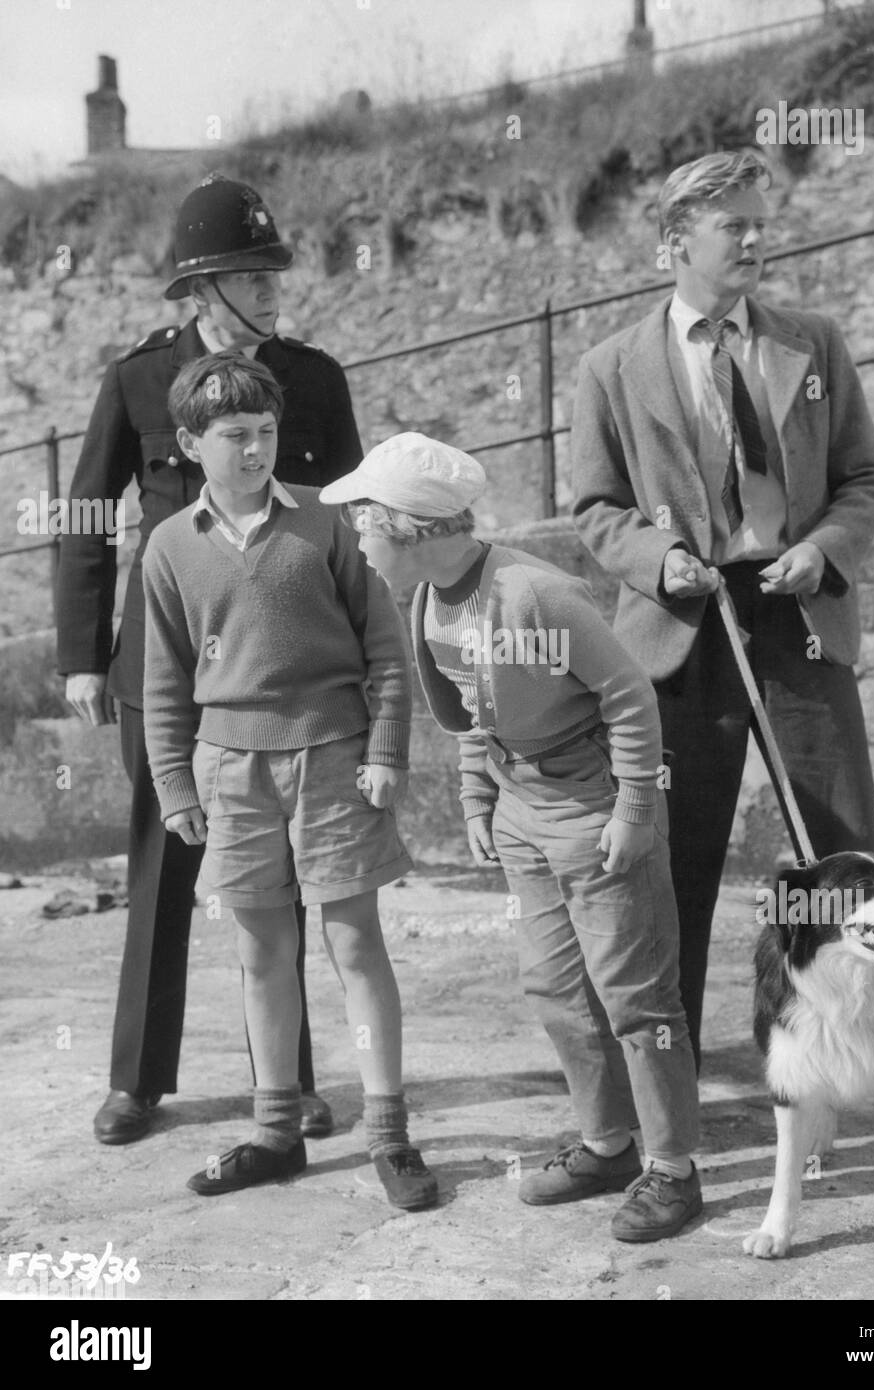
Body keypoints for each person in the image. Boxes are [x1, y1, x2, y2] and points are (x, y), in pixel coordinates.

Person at [320, 432, 703, 1243]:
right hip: (519, 808)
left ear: (411, 527)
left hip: (591, 804)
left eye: (366, 527)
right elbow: (472, 707)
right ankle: (606, 1144)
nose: (359, 543)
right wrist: (474, 801)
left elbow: (629, 696)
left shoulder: (533, 593)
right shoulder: (431, 599)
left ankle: (672, 1169)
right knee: (555, 990)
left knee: (635, 996)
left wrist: (634, 811)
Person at [570, 149, 874, 1072]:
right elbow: (594, 509)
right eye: (734, 226)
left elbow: (867, 476)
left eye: (762, 222)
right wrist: (659, 558)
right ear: (675, 242)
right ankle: (664, 1084)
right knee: (672, 862)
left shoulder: (813, 343)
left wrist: (821, 549)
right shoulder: (609, 368)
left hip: (795, 616)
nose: (757, 239)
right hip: (680, 634)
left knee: (844, 850)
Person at [57, 173, 363, 1145]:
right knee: (161, 868)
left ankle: (291, 1084)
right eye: (248, 273)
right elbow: (81, 522)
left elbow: (346, 520)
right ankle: (137, 1083)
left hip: (280, 669)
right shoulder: (137, 379)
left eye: (274, 269)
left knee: (277, 870)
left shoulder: (313, 381)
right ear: (200, 287)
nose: (272, 289)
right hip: (161, 664)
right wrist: (78, 656)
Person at [141, 354, 436, 1207]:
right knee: (262, 951)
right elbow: (164, 680)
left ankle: (388, 1133)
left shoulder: (325, 523)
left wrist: (385, 751)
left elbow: (386, 649)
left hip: (335, 759)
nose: (256, 450)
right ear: (192, 444)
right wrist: (174, 784)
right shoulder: (167, 547)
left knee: (353, 942)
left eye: (265, 433)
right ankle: (276, 1132)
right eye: (235, 436)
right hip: (229, 772)